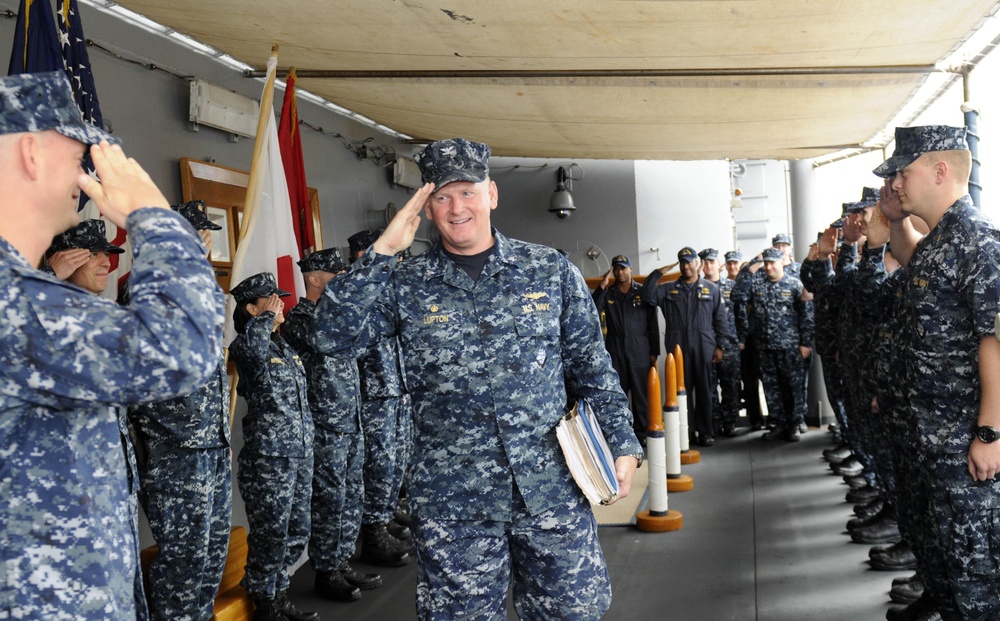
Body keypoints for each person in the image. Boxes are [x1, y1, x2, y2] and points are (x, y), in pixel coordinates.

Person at [312, 138, 642, 619]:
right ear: (426, 209)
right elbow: (328, 337)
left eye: (467, 192)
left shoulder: (548, 271)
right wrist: (383, 250)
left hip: (550, 487)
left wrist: (623, 442)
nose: (456, 207)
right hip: (454, 504)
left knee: (573, 613)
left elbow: (592, 367)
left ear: (491, 193)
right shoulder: (405, 283)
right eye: (441, 197)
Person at [0, 71, 224, 620]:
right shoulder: (15, 303)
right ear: (32, 152)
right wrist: (155, 218)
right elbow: (182, 349)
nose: (89, 172)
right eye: (81, 153)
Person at [875, 125, 1000, 621]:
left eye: (903, 172)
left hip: (961, 446)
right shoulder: (938, 239)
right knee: (945, 571)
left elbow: (996, 339)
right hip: (929, 442)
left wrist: (990, 431)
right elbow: (916, 266)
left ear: (940, 170)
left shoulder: (979, 242)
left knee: (977, 583)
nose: (896, 183)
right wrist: (895, 217)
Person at [128, 200, 233, 621]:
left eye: (204, 233)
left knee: (210, 557)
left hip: (210, 447)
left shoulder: (196, 295)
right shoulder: (146, 295)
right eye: (194, 232)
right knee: (182, 566)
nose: (204, 240)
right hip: (176, 455)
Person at [283, 248, 382, 602]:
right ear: (313, 278)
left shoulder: (335, 318)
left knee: (350, 494)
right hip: (324, 424)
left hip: (349, 419)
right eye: (333, 273)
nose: (341, 276)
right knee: (329, 498)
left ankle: (340, 561)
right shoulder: (300, 319)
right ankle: (325, 570)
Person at [228, 272, 318, 621]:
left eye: (279, 297)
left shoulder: (282, 346)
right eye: (270, 299)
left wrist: (268, 318)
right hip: (270, 458)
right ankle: (267, 603)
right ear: (251, 309)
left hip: (298, 451)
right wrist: (263, 319)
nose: (280, 303)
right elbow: (250, 352)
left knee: (297, 530)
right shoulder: (248, 344)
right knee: (271, 534)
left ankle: (276, 591)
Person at [347, 229, 414, 568]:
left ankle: (384, 520)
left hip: (394, 390)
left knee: (394, 462)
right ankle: (373, 532)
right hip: (373, 396)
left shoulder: (387, 294)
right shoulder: (357, 296)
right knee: (378, 465)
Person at [641, 246, 731, 447]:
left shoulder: (712, 289)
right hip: (677, 345)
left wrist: (721, 346)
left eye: (690, 261)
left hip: (704, 344)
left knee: (705, 390)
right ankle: (686, 433)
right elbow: (646, 296)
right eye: (682, 262)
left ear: (697, 264)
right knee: (680, 392)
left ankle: (705, 432)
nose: (686, 266)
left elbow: (720, 319)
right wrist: (658, 273)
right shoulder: (667, 288)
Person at [592, 253, 660, 444]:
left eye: (623, 268)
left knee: (640, 394)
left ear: (630, 269)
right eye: (616, 269)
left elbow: (652, 323)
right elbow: (592, 309)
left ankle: (642, 433)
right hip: (615, 348)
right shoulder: (609, 293)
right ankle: (623, 435)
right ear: (612, 272)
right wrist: (602, 287)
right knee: (619, 393)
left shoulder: (641, 292)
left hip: (640, 348)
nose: (620, 272)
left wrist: (654, 352)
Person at [751, 248, 813, 442]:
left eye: (773, 263)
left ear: (781, 263)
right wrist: (754, 260)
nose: (769, 267)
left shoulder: (795, 285)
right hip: (765, 346)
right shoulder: (758, 286)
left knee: (792, 387)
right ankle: (778, 423)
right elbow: (738, 294)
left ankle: (794, 423)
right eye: (766, 263)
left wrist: (805, 343)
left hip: (790, 346)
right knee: (771, 387)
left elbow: (807, 316)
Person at [700, 248, 741, 437]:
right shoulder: (698, 289)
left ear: (719, 265)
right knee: (709, 387)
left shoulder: (731, 287)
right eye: (704, 262)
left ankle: (730, 421)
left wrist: (742, 339)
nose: (708, 265)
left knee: (730, 385)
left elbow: (741, 315)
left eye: (711, 261)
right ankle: (714, 421)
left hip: (730, 344)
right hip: (707, 344)